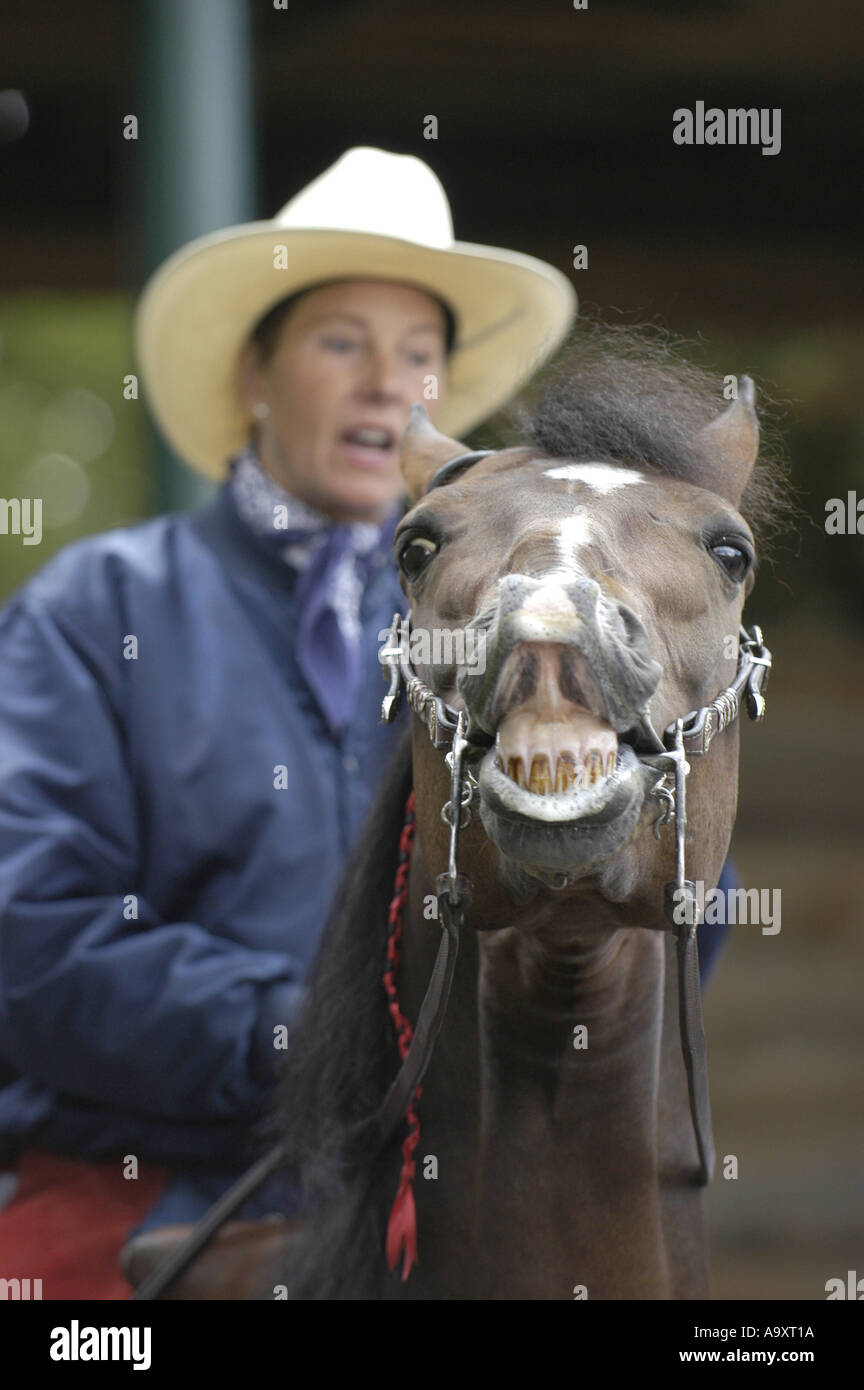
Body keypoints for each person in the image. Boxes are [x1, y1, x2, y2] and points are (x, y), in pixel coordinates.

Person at [0, 147, 576, 1297]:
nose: (388, 384)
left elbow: (637, 913)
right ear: (257, 372)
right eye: (342, 343)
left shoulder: (504, 638)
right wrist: (314, 1035)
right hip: (146, 1193)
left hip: (440, 1198)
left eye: (421, 357)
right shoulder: (93, 608)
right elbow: (30, 932)